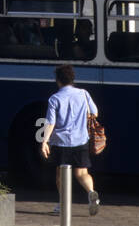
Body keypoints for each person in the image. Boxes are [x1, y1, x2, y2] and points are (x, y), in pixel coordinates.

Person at [40, 65, 102, 216]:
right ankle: (91, 193)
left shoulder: (54, 98)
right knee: (82, 173)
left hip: (61, 142)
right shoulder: (83, 94)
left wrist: (44, 141)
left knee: (61, 175)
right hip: (81, 140)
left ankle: (63, 204)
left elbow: (50, 122)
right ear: (72, 79)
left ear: (58, 80)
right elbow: (95, 113)